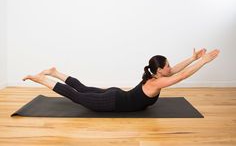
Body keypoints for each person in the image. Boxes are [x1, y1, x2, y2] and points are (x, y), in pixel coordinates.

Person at [22, 48, 220, 112]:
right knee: (76, 95)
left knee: (82, 88)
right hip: (112, 100)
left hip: (116, 96)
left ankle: (55, 72)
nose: (170, 67)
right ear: (159, 71)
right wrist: (203, 61)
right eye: (167, 66)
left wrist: (193, 58)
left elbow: (176, 70)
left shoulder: (154, 76)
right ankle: (41, 79)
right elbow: (181, 75)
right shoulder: (156, 81)